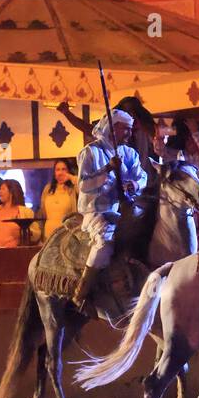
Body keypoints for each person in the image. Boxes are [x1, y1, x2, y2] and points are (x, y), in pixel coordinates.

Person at [72, 108, 147, 310]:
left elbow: (142, 177)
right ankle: (83, 291)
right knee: (105, 241)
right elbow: (84, 185)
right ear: (113, 128)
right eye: (126, 130)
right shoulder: (90, 152)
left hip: (123, 209)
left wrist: (134, 185)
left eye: (131, 130)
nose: (129, 134)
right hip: (97, 211)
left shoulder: (129, 153)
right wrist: (107, 169)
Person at [0, 179, 39, 249]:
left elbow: (37, 234)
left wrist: (26, 233)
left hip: (18, 253)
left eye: (3, 189)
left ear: (11, 192)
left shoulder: (25, 212)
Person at [38, 159, 79, 239]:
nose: (60, 173)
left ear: (68, 171)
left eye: (64, 169)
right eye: (58, 170)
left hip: (66, 235)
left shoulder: (73, 189)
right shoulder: (48, 189)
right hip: (48, 235)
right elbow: (42, 213)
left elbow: (84, 188)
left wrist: (70, 177)